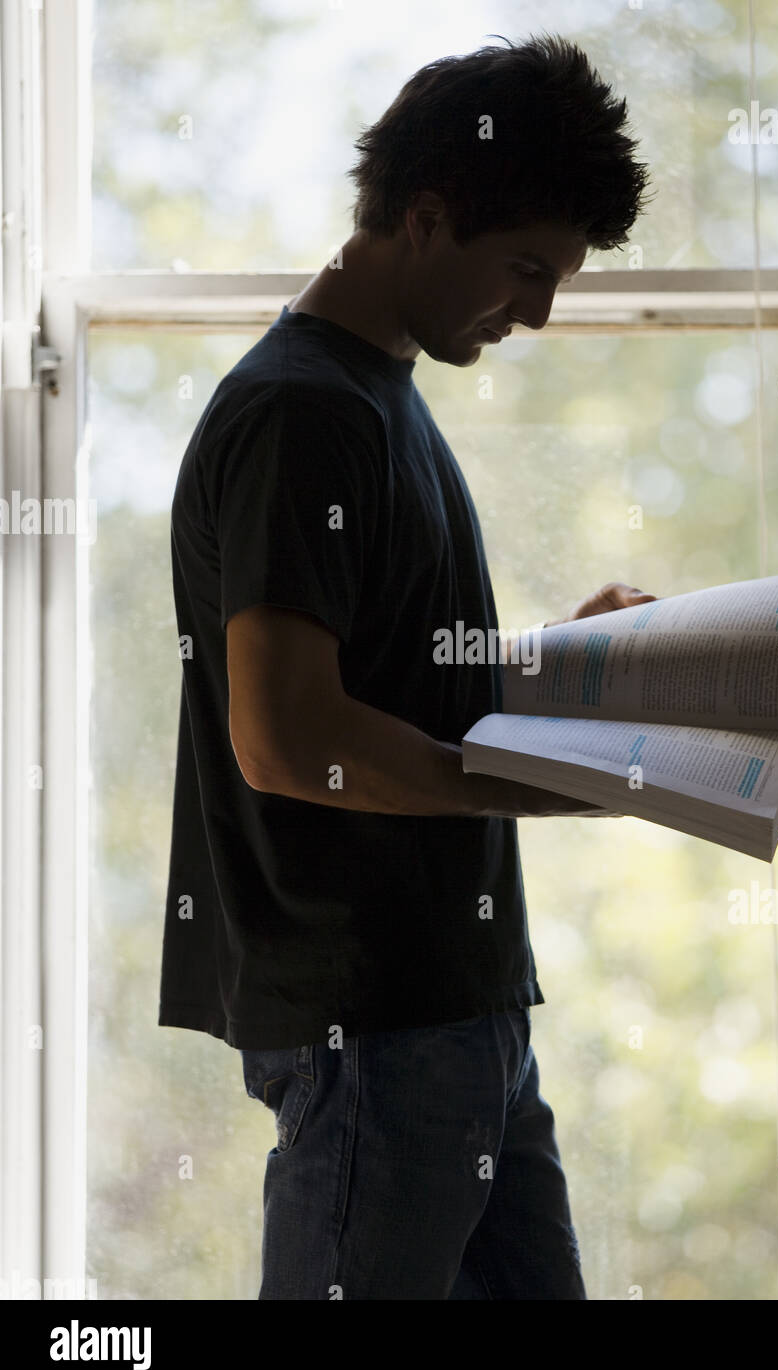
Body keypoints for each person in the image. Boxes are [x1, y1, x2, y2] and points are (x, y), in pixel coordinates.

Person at [159, 30, 653, 1300]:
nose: (537, 312)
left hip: (456, 1013)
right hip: (374, 1025)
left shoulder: (376, 396)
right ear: (427, 218)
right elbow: (284, 737)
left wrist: (552, 663)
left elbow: (384, 675)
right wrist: (535, 787)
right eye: (526, 271)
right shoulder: (301, 414)